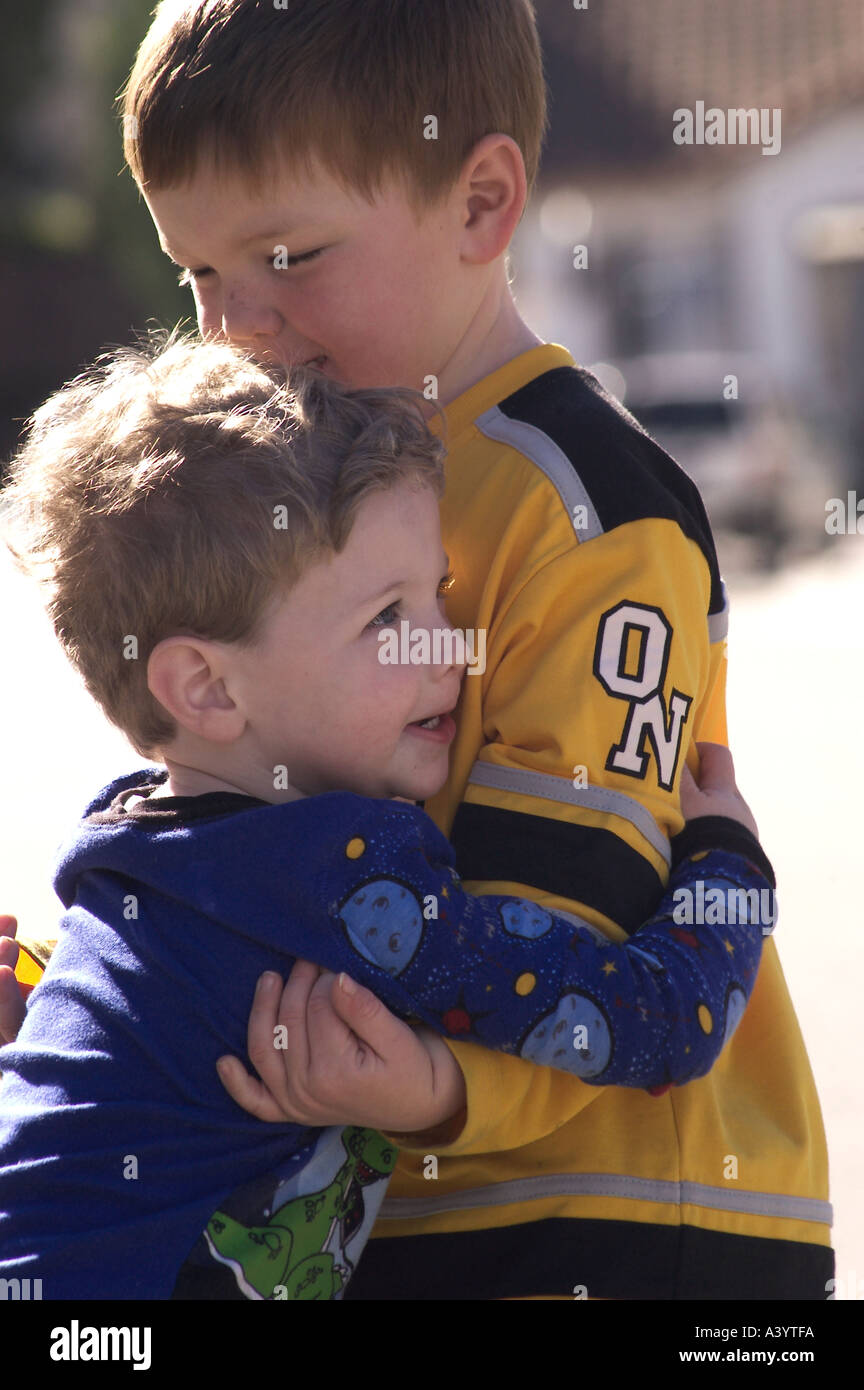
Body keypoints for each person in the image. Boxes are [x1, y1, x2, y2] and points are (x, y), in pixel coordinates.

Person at [0, 0, 831, 1299]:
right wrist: (85, 1003)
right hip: (398, 1201)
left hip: (628, 1216)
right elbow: (261, 845)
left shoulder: (588, 507)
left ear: (481, 202)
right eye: (199, 274)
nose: (240, 325)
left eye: (290, 254)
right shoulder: (298, 480)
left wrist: (437, 1087)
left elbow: (575, 961)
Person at [0, 336, 771, 1300]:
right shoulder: (342, 876)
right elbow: (648, 1021)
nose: (449, 645)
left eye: (438, 596)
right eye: (385, 620)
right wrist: (729, 877)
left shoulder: (137, 848)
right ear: (203, 686)